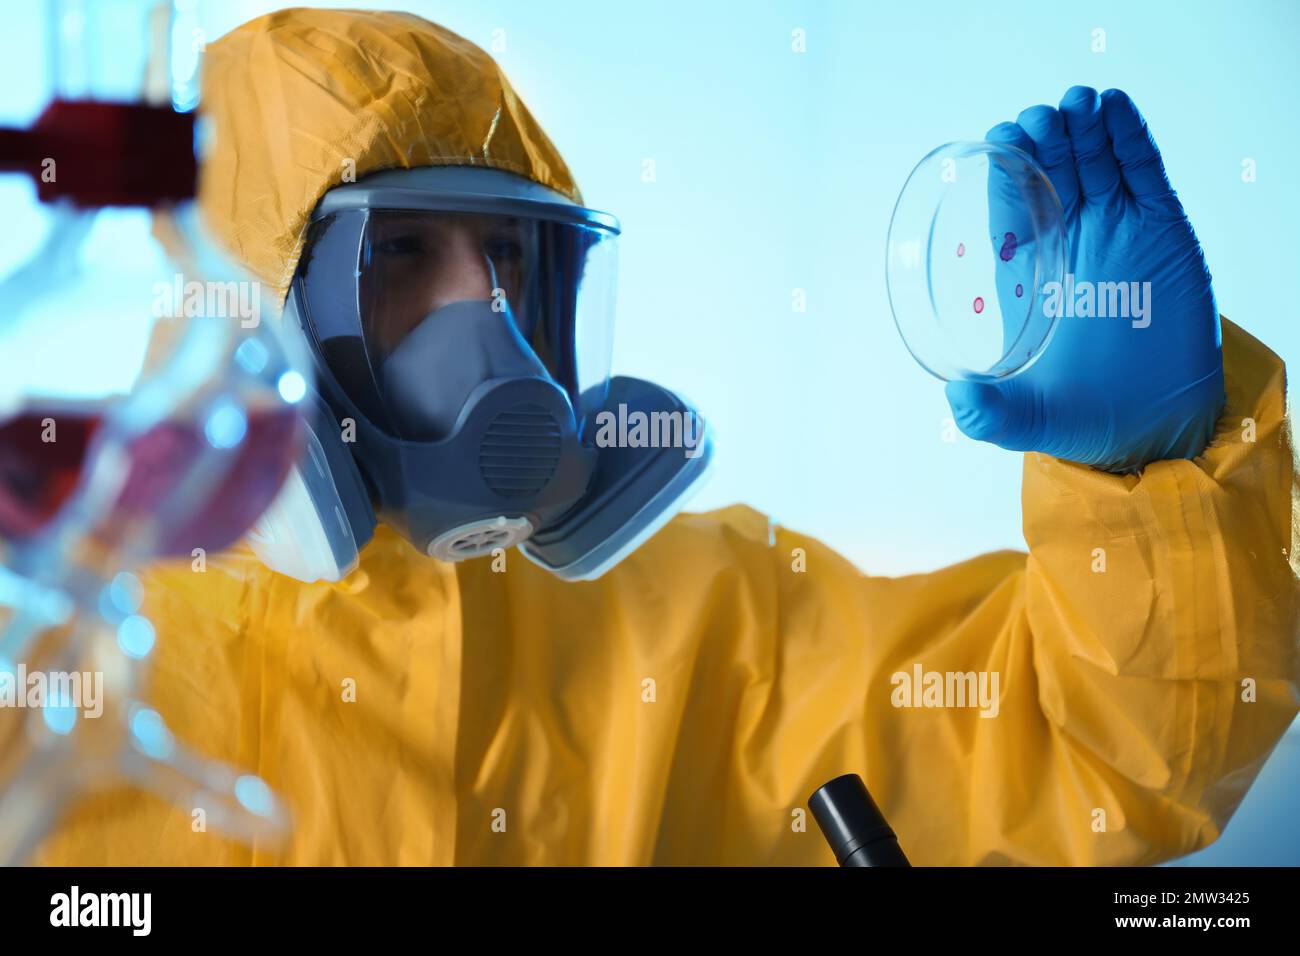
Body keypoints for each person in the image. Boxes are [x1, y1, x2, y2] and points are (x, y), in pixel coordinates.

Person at [37, 8, 1298, 866]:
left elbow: (1090, 756)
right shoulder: (67, 656)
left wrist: (1147, 471)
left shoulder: (707, 626)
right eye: (408, 253)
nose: (486, 319)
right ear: (246, 310)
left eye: (516, 261)